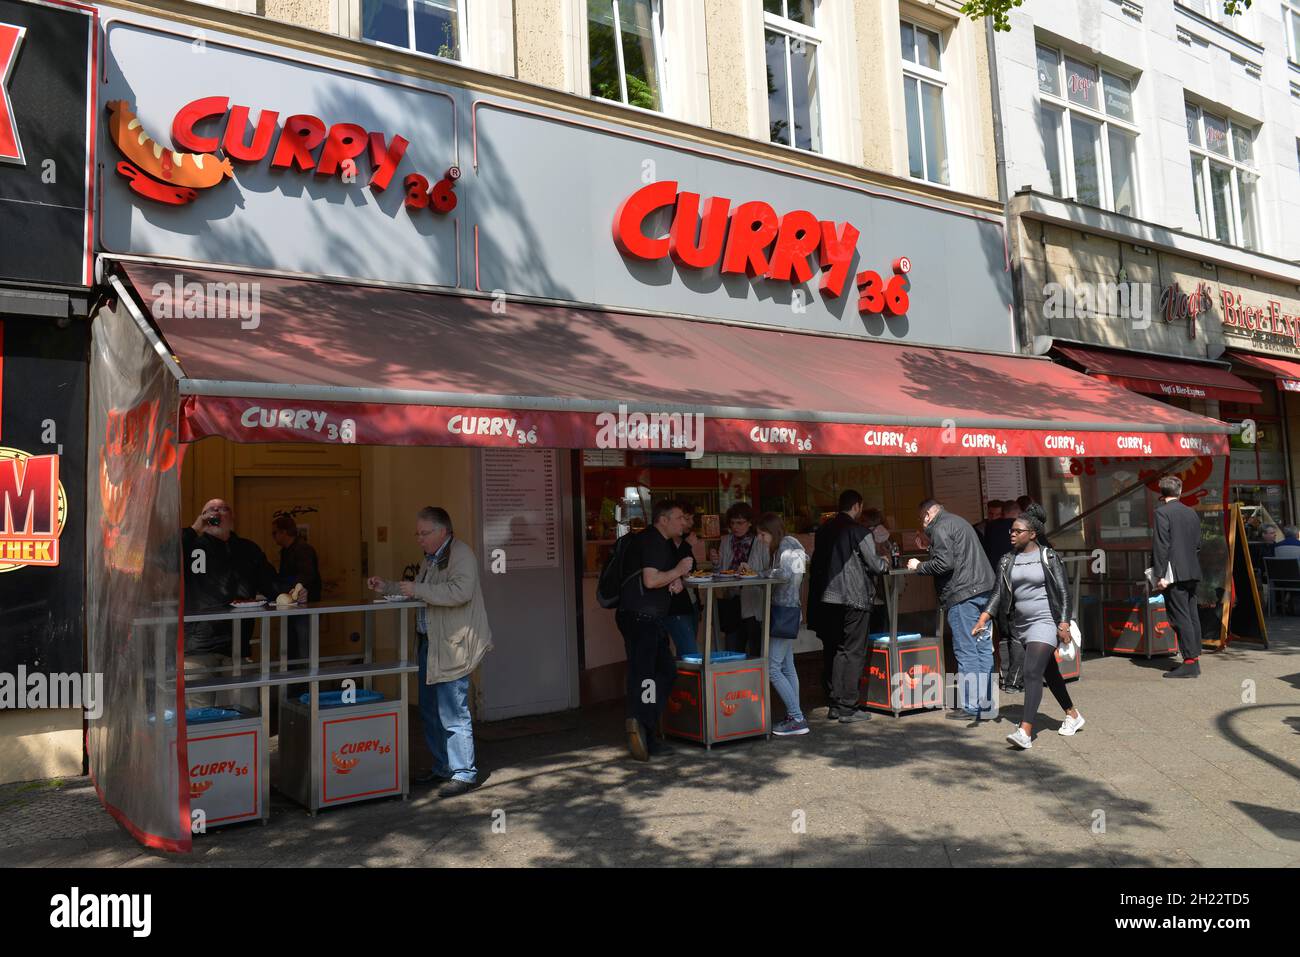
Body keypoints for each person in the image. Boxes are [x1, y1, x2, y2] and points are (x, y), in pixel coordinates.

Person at [368, 506, 492, 796]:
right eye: (418, 533)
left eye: (424, 533)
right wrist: (385, 586)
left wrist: (418, 590)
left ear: (442, 531)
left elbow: (459, 593)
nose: (419, 539)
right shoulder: (431, 559)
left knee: (453, 709)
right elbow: (417, 591)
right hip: (430, 644)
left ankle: (463, 772)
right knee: (430, 709)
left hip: (452, 645)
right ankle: (443, 767)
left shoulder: (461, 555)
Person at [975, 505, 1084, 749]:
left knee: (1031, 671)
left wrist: (1064, 622)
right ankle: (1073, 715)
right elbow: (998, 592)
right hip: (1021, 624)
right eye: (1011, 531)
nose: (1011, 534)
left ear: (1032, 533)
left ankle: (1025, 731)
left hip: (1046, 622)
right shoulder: (1007, 560)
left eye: (1017, 531)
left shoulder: (1048, 556)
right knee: (1049, 671)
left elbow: (1063, 592)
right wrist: (984, 617)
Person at [614, 500, 695, 761]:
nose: (684, 522)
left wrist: (673, 581)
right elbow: (650, 580)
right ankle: (641, 726)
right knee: (649, 674)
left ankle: (642, 725)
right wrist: (679, 571)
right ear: (663, 519)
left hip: (647, 618)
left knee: (661, 672)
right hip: (641, 619)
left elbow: (656, 578)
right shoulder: (651, 541)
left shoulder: (657, 542)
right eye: (680, 517)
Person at [182, 499, 277, 706]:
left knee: (247, 708)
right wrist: (195, 528)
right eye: (211, 510)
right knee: (199, 712)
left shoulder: (247, 549)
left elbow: (271, 584)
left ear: (232, 517)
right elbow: (162, 557)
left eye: (223, 509)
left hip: (236, 644)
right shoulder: (191, 546)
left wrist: (293, 593)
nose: (217, 513)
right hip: (198, 646)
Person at [909, 499, 996, 722]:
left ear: (928, 514)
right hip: (984, 591)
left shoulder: (939, 527)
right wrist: (929, 547)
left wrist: (918, 566)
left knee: (966, 649)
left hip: (962, 594)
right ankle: (986, 704)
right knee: (983, 648)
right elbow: (955, 554)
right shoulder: (958, 521)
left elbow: (943, 564)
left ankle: (971, 706)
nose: (924, 524)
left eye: (922, 519)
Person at [819, 491, 890, 723]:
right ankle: (849, 706)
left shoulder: (824, 530)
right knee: (853, 651)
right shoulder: (859, 531)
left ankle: (835, 703)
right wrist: (886, 561)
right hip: (854, 597)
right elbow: (875, 564)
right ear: (858, 506)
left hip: (829, 598)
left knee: (838, 649)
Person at [758, 512, 810, 736]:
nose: (760, 539)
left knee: (772, 668)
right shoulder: (792, 544)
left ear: (772, 531)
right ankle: (794, 715)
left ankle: (797, 717)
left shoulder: (786, 545)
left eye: (762, 534)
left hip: (784, 612)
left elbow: (787, 575)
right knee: (787, 666)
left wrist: (763, 574)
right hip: (790, 611)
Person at [1153, 476, 1203, 679]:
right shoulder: (1191, 512)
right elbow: (1198, 544)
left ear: (1162, 493)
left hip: (1173, 573)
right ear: (1180, 491)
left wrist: (1159, 574)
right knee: (1192, 615)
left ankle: (1190, 662)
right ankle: (1194, 659)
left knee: (1180, 617)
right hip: (1192, 569)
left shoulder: (1161, 512)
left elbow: (1161, 545)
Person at [270, 515, 322, 689]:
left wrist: (294, 590)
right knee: (291, 649)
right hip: (291, 608)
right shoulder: (287, 551)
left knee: (303, 650)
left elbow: (307, 576)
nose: (273, 537)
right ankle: (293, 689)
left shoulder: (302, 550)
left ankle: (306, 689)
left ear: (284, 532)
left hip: (303, 609)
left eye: (275, 533)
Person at [712, 502, 770, 656]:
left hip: (752, 598)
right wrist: (716, 563)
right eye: (732, 523)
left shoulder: (759, 541)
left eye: (740, 522)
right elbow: (720, 572)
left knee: (754, 641)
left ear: (750, 523)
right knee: (732, 644)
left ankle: (753, 677)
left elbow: (767, 570)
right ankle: (732, 676)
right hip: (732, 596)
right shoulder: (726, 541)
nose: (735, 527)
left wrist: (750, 572)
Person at [664, 500, 700, 658]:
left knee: (687, 651)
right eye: (686, 518)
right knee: (690, 653)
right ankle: (688, 683)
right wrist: (687, 546)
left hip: (690, 603)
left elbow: (690, 570)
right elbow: (671, 568)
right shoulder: (665, 542)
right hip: (676, 606)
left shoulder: (682, 542)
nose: (690, 523)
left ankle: (684, 682)